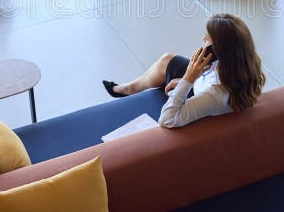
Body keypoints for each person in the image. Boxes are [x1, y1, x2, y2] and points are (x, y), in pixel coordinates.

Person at [102, 14, 265, 128]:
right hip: (203, 84)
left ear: (219, 50)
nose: (203, 40)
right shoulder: (242, 65)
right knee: (168, 60)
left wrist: (187, 80)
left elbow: (166, 120)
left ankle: (126, 90)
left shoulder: (214, 95)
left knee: (173, 66)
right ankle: (129, 89)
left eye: (207, 38)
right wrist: (189, 78)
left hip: (199, 98)